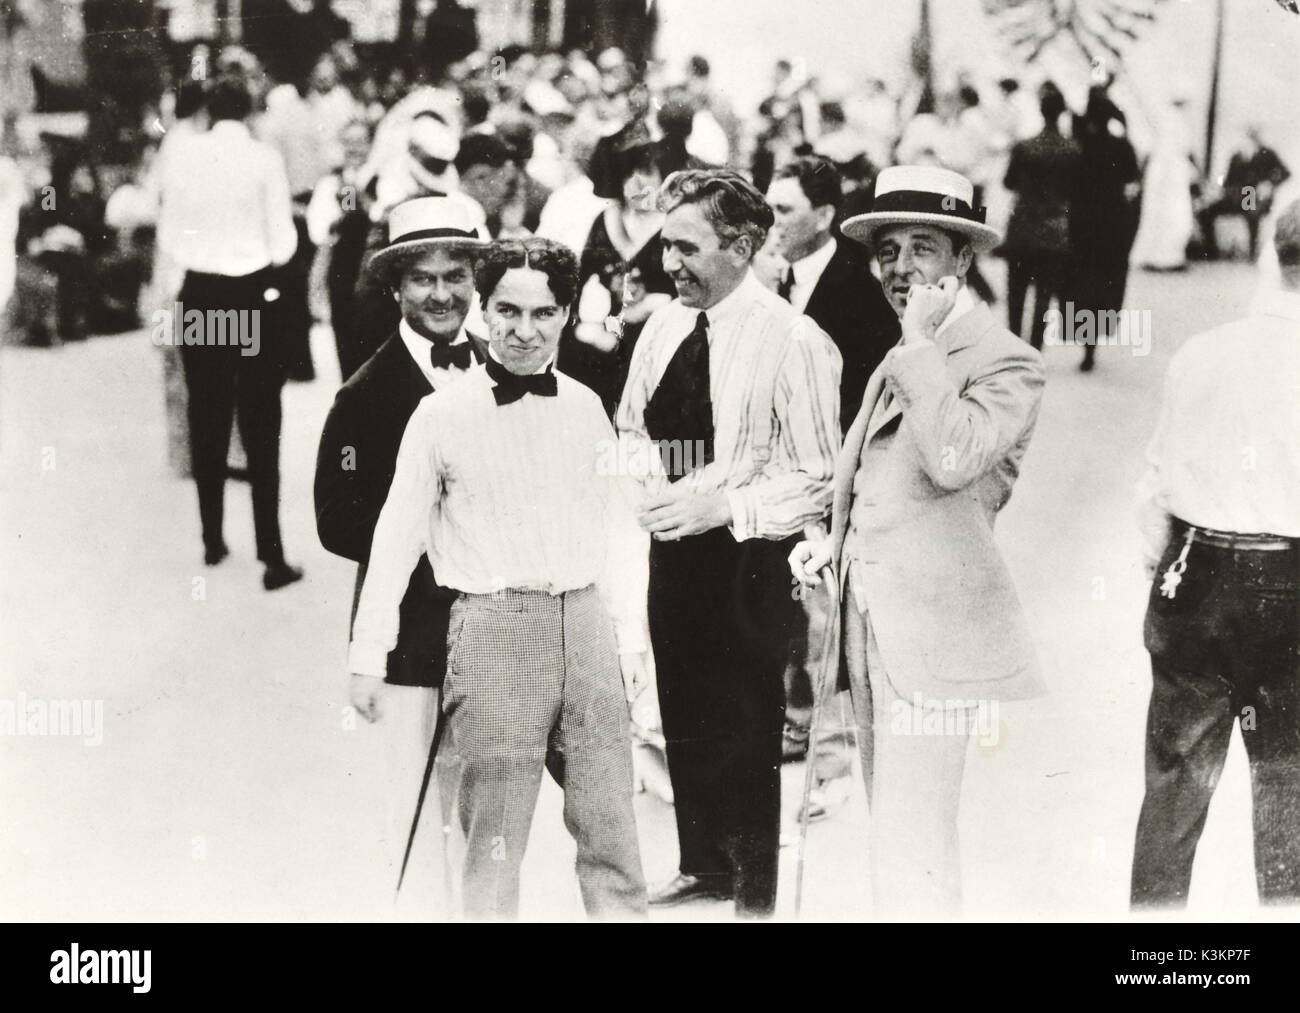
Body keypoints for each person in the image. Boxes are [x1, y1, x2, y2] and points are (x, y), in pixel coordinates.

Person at [348, 237, 650, 921]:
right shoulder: (441, 415)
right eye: (507, 312)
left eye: (543, 314)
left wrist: (629, 643)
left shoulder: (585, 407)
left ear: (568, 314)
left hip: (586, 625)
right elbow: (394, 539)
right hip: (492, 630)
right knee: (493, 843)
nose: (523, 331)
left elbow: (622, 527)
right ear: (483, 311)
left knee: (612, 833)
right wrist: (369, 653)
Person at [790, 165, 1046, 916]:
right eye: (888, 250)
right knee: (896, 832)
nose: (901, 269)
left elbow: (955, 458)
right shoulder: (909, 347)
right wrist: (826, 536)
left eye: (923, 247)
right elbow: (873, 472)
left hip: (938, 638)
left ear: (963, 259)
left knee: (916, 839)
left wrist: (917, 347)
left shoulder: (1002, 359)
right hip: (872, 625)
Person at [617, 169, 841, 917]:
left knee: (745, 724)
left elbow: (816, 476)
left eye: (686, 247)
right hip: (670, 549)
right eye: (664, 245)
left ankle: (754, 895)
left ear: (742, 245)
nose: (668, 263)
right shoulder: (661, 326)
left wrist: (723, 506)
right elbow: (630, 428)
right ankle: (702, 864)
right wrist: (649, 485)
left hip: (750, 555)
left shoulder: (795, 339)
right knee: (680, 707)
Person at [316, 197, 487, 908]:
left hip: (492, 629)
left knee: (485, 810)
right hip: (410, 633)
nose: (441, 293)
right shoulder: (365, 394)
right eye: (422, 279)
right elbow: (336, 522)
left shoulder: (497, 366)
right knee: (416, 814)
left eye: (455, 275)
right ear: (394, 288)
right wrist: (432, 529)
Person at [1130, 198, 1300, 909]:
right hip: (1289, 579)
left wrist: (1167, 575)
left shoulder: (1204, 350)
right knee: (1289, 787)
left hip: (1194, 571)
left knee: (1174, 784)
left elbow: (1156, 487)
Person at [764, 155, 898, 817]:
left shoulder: (858, 288)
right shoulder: (772, 278)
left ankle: (836, 766)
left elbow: (869, 398)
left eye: (784, 209)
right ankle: (796, 726)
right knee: (789, 609)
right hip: (779, 474)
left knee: (827, 617)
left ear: (824, 216)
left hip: (835, 477)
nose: (771, 220)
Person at [155, 75, 302, 590]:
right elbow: (283, 242)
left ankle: (212, 538)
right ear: (252, 111)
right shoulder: (264, 159)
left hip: (200, 294)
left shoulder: (183, 156)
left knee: (207, 412)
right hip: (253, 293)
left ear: (208, 112)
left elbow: (170, 233)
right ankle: (272, 554)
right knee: (262, 419)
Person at [561, 138, 674, 418]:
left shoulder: (673, 225)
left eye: (647, 172)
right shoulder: (606, 221)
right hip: (605, 338)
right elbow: (579, 281)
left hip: (658, 337)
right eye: (629, 173)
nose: (637, 182)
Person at [1000, 82, 1080, 348]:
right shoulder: (1072, 150)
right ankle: (1035, 349)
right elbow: (1075, 190)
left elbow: (1009, 182)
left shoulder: (1024, 147)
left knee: (1016, 292)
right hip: (1054, 227)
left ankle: (1012, 343)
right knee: (1044, 295)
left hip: (1023, 224)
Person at [1070, 88, 1141, 371]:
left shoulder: (1079, 145)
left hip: (1083, 223)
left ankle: (1084, 339)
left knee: (1083, 282)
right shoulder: (1123, 147)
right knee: (1105, 284)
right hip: (1113, 225)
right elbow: (1133, 185)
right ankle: (1093, 344)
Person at [1129, 95, 1196, 271]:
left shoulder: (1172, 122)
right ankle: (1164, 258)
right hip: (1168, 176)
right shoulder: (1174, 124)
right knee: (1170, 217)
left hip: (1170, 176)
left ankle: (1167, 256)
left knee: (1172, 217)